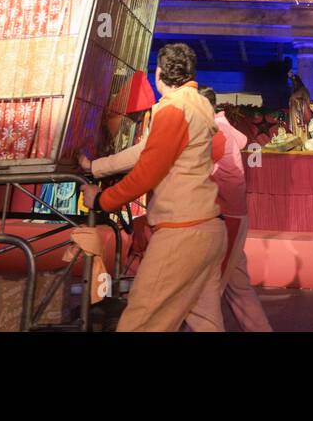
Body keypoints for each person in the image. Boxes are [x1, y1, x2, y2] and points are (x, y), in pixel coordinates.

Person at [80, 43, 226, 332]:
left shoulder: (174, 110)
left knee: (141, 319)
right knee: (206, 323)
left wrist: (101, 200)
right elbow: (144, 152)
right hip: (208, 228)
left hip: (182, 231)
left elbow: (147, 172)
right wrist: (95, 167)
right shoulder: (197, 106)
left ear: (159, 73)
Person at [194, 86, 271, 331]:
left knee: (208, 290)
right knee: (238, 289)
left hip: (227, 217)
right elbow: (243, 140)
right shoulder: (223, 128)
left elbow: (199, 172)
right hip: (232, 215)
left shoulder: (215, 132)